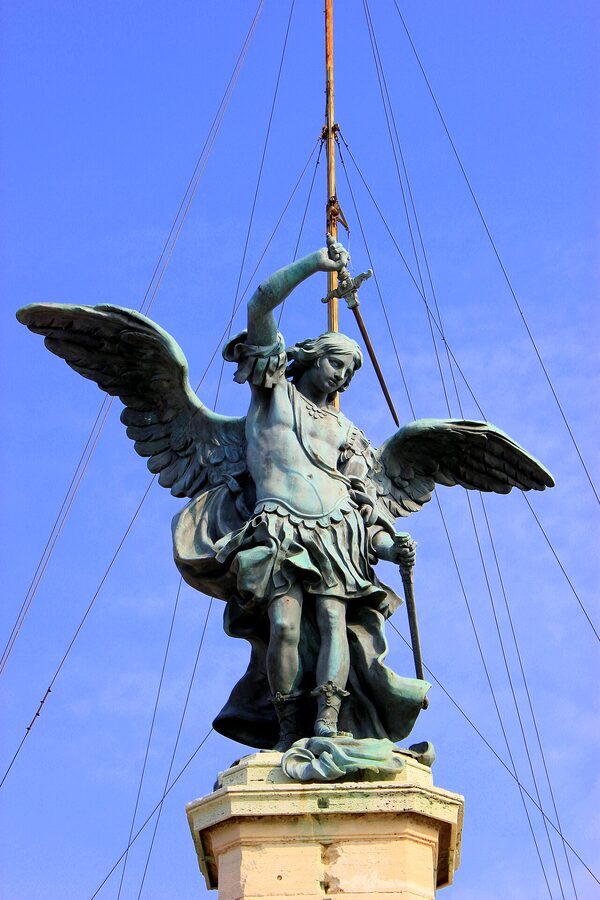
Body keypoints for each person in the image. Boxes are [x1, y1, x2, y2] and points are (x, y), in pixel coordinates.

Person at [209, 237, 419, 750]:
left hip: (336, 532)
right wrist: (317, 263)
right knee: (283, 626)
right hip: (279, 526)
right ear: (310, 358)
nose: (341, 376)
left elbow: (365, 503)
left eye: (349, 372)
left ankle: (327, 719)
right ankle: (286, 725)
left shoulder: (348, 433)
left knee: (332, 624)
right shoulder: (272, 391)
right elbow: (260, 302)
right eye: (335, 364)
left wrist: (392, 548)